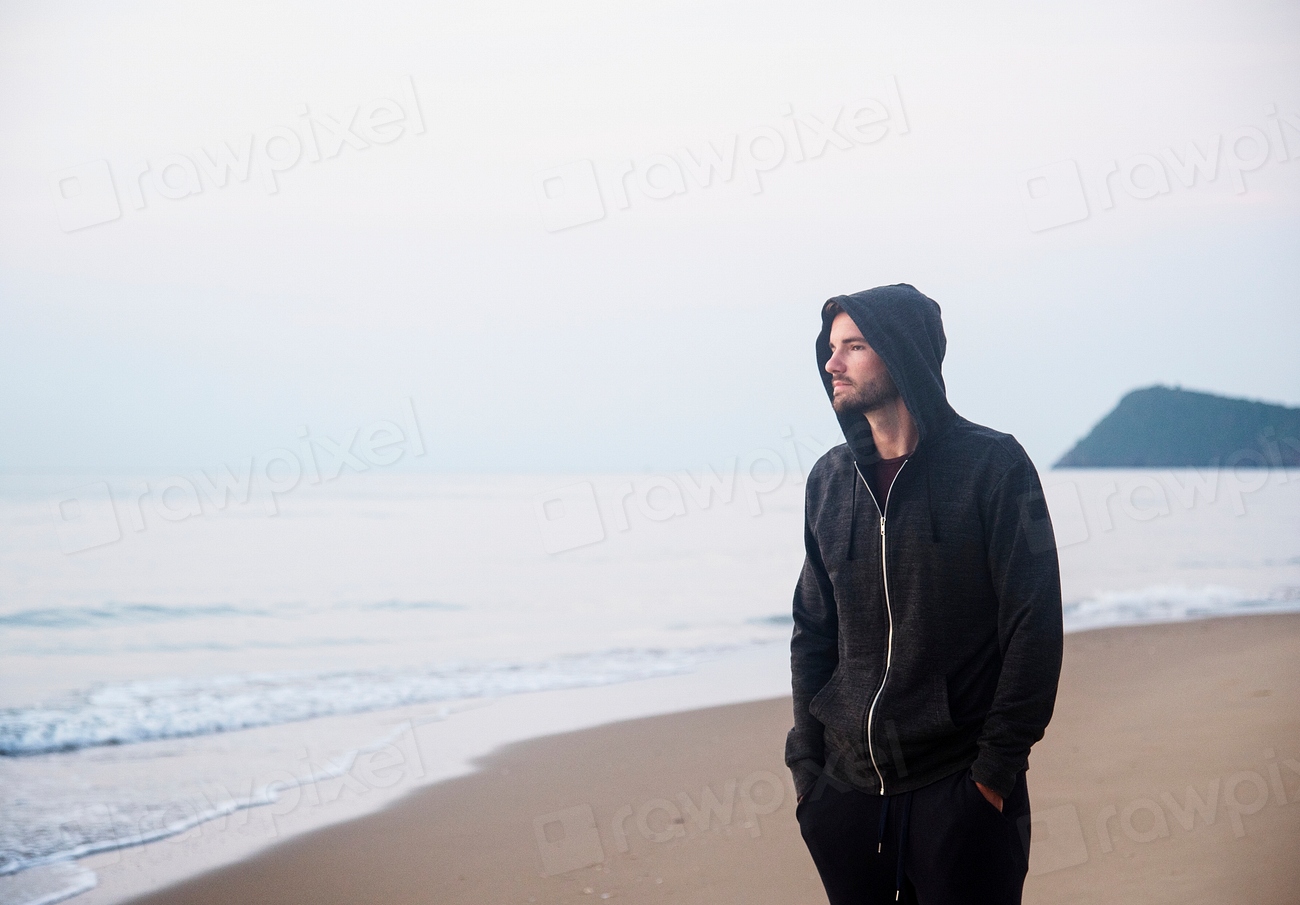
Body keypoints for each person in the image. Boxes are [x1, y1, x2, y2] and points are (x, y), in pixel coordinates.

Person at [786, 284, 1063, 904]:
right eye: (831, 348)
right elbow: (813, 629)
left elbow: (1034, 626)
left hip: (957, 787)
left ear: (903, 352)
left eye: (853, 347)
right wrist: (808, 769)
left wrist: (993, 774)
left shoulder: (993, 467)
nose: (832, 364)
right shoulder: (829, 481)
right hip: (846, 794)